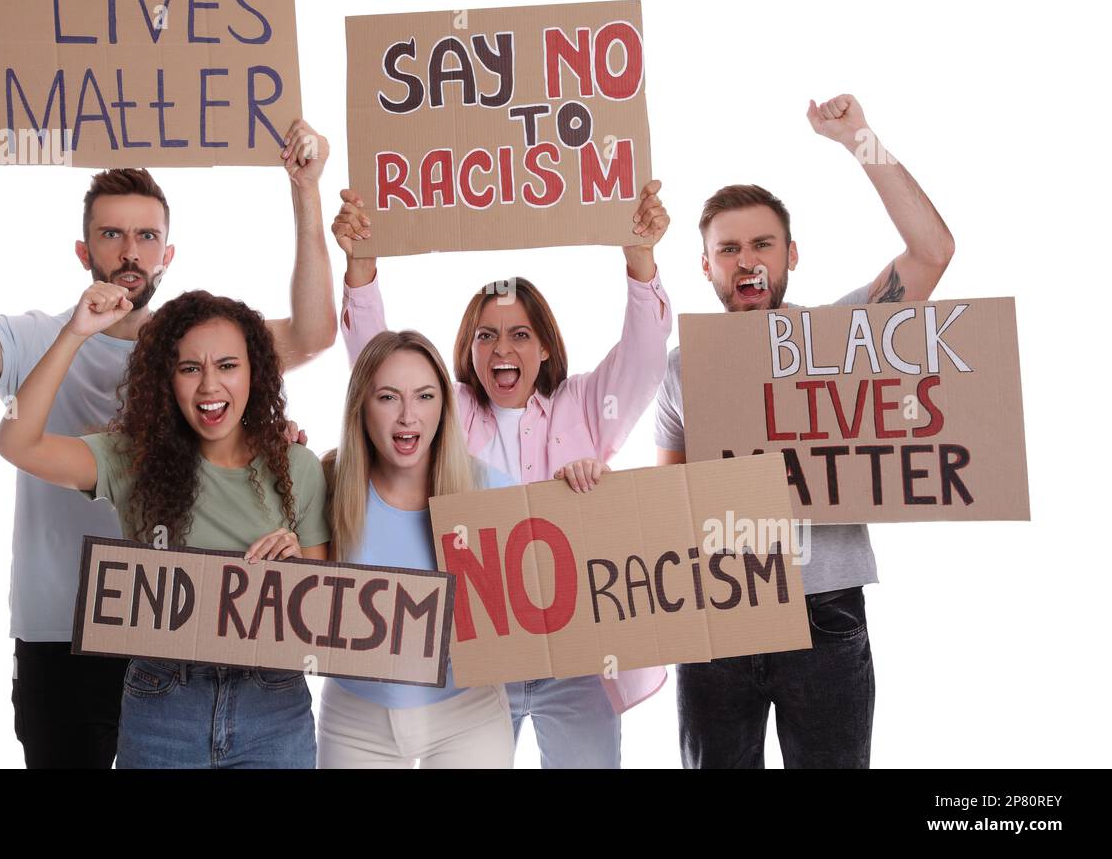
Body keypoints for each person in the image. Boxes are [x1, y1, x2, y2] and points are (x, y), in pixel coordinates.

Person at [0, 114, 336, 768]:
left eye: (147, 236)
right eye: (111, 234)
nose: (130, 252)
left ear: (167, 254)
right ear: (83, 250)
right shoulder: (33, 341)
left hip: (199, 641)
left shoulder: (200, 345)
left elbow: (315, 334)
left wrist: (304, 189)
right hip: (64, 637)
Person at [655, 93, 955, 768]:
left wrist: (860, 140)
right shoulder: (680, 372)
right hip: (718, 614)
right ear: (706, 266)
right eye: (728, 249)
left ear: (791, 254)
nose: (747, 260)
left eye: (762, 244)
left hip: (824, 614)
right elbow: (666, 506)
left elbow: (933, 251)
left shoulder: (839, 339)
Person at [331, 179, 673, 769]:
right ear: (468, 348)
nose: (501, 349)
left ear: (543, 347)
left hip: (574, 659)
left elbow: (645, 356)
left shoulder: (584, 406)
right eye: (486, 336)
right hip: (474, 657)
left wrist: (639, 259)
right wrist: (362, 268)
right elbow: (377, 361)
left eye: (519, 334)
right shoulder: (450, 411)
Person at [0, 283, 330, 768]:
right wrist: (74, 334)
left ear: (255, 373)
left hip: (272, 708)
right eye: (189, 368)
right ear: (165, 379)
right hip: (163, 703)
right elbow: (15, 441)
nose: (209, 386)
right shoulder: (132, 459)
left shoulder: (297, 466)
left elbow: (320, 615)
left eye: (228, 366)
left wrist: (295, 567)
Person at [318, 330, 516, 768]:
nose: (408, 416)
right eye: (388, 398)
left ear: (443, 406)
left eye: (424, 396)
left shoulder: (491, 489)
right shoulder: (325, 484)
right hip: (355, 718)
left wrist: (582, 487)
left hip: (468, 714)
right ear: (361, 407)